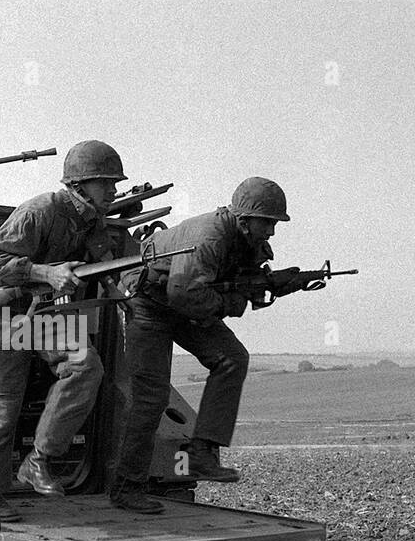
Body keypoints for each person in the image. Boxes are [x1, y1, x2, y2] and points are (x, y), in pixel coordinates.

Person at [108, 177, 310, 513]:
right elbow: (183, 293)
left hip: (184, 302)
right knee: (151, 397)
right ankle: (127, 488)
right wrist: (234, 303)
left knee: (232, 358)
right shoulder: (210, 236)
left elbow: (237, 283)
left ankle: (202, 453)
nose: (272, 231)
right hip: (150, 305)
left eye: (275, 223)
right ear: (245, 219)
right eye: (269, 223)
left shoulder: (247, 241)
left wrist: (276, 284)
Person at [0, 140, 124, 521]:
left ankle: (39, 460)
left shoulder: (92, 221)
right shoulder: (41, 211)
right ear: (81, 185)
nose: (114, 191)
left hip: (42, 314)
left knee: (87, 367)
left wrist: (118, 288)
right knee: (1, 410)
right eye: (107, 184)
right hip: (1, 316)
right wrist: (45, 272)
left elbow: (102, 260)